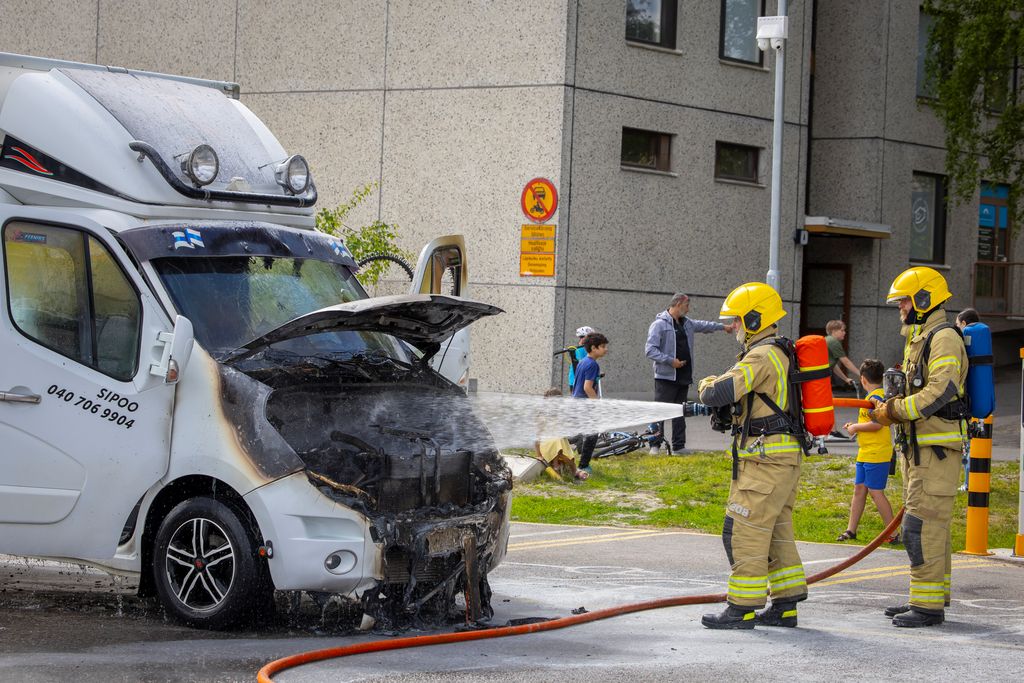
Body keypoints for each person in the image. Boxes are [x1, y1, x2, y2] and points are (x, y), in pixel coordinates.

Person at [696, 283, 807, 630]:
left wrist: (705, 383)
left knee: (741, 530)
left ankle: (741, 608)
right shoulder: (777, 351)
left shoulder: (761, 355)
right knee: (774, 531)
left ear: (756, 318)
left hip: (765, 460)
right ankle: (785, 605)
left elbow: (719, 392)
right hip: (779, 458)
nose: (733, 328)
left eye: (737, 321)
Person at [870, 266, 968, 628]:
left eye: (905, 301)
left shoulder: (942, 337)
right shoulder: (921, 336)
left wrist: (893, 411)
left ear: (924, 299)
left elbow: (940, 390)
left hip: (935, 449)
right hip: (921, 449)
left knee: (920, 526)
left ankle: (926, 606)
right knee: (932, 526)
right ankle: (931, 595)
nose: (900, 307)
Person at [645, 293, 737, 453]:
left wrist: (724, 327)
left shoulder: (687, 324)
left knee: (680, 411)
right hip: (666, 377)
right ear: (679, 304)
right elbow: (650, 350)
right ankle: (655, 444)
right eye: (687, 306)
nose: (688, 310)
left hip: (683, 376)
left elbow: (704, 325)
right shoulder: (659, 325)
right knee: (659, 411)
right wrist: (670, 360)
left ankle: (679, 446)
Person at [836, 359, 896, 544]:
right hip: (867, 451)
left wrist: (855, 428)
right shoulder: (876, 396)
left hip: (877, 452)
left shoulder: (875, 399)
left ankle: (892, 533)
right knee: (859, 490)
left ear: (862, 379)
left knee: (876, 492)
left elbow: (877, 425)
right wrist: (855, 426)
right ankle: (851, 530)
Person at [572, 332, 608, 472]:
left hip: (577, 402)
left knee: (586, 432)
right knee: (592, 434)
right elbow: (587, 387)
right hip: (585, 404)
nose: (606, 349)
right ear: (594, 348)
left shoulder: (583, 362)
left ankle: (572, 440)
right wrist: (597, 403)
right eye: (603, 346)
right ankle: (584, 466)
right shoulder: (592, 364)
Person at [535, 388, 588, 481]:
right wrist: (539, 455)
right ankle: (570, 470)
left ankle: (572, 470)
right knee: (557, 440)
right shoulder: (542, 416)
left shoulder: (560, 415)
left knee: (559, 439)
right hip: (546, 445)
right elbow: (537, 437)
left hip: (560, 444)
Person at [955, 308, 981, 492]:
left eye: (958, 324)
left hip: (968, 402)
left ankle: (968, 483)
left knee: (968, 444)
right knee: (971, 443)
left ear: (964, 324)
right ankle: (970, 481)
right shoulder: (979, 343)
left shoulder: (966, 344)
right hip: (978, 399)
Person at [825, 320, 860, 390]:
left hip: (819, 376)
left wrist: (845, 379)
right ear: (834, 331)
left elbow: (834, 366)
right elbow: (846, 362)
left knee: (829, 399)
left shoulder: (827, 340)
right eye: (842, 330)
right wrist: (860, 374)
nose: (844, 333)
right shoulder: (833, 342)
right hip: (821, 377)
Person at [566, 325, 594, 393]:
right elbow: (582, 365)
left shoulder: (584, 349)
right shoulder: (581, 349)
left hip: (578, 381)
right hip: (578, 382)